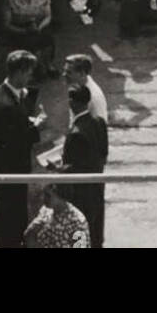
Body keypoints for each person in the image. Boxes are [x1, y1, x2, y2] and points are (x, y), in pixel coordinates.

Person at [0, 50, 42, 248]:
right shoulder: (6, 104)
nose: (30, 76)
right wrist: (37, 127)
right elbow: (17, 140)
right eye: (28, 72)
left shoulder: (2, 92)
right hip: (12, 167)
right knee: (12, 215)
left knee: (15, 212)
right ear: (19, 72)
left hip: (10, 165)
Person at [58, 84, 108, 248]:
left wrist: (57, 168)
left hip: (80, 195)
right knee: (95, 235)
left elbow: (75, 168)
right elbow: (103, 152)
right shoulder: (99, 122)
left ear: (72, 102)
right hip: (97, 188)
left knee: (79, 236)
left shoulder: (76, 133)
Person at [1, 0, 55, 75]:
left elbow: (48, 16)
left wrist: (39, 27)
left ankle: (48, 65)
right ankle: (37, 67)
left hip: (39, 26)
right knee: (32, 41)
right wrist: (24, 31)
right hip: (19, 29)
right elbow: (6, 24)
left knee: (48, 37)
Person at [23, 185, 90, 249]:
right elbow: (29, 237)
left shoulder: (77, 221)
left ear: (60, 195)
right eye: (43, 194)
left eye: (48, 195)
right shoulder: (46, 211)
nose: (43, 198)